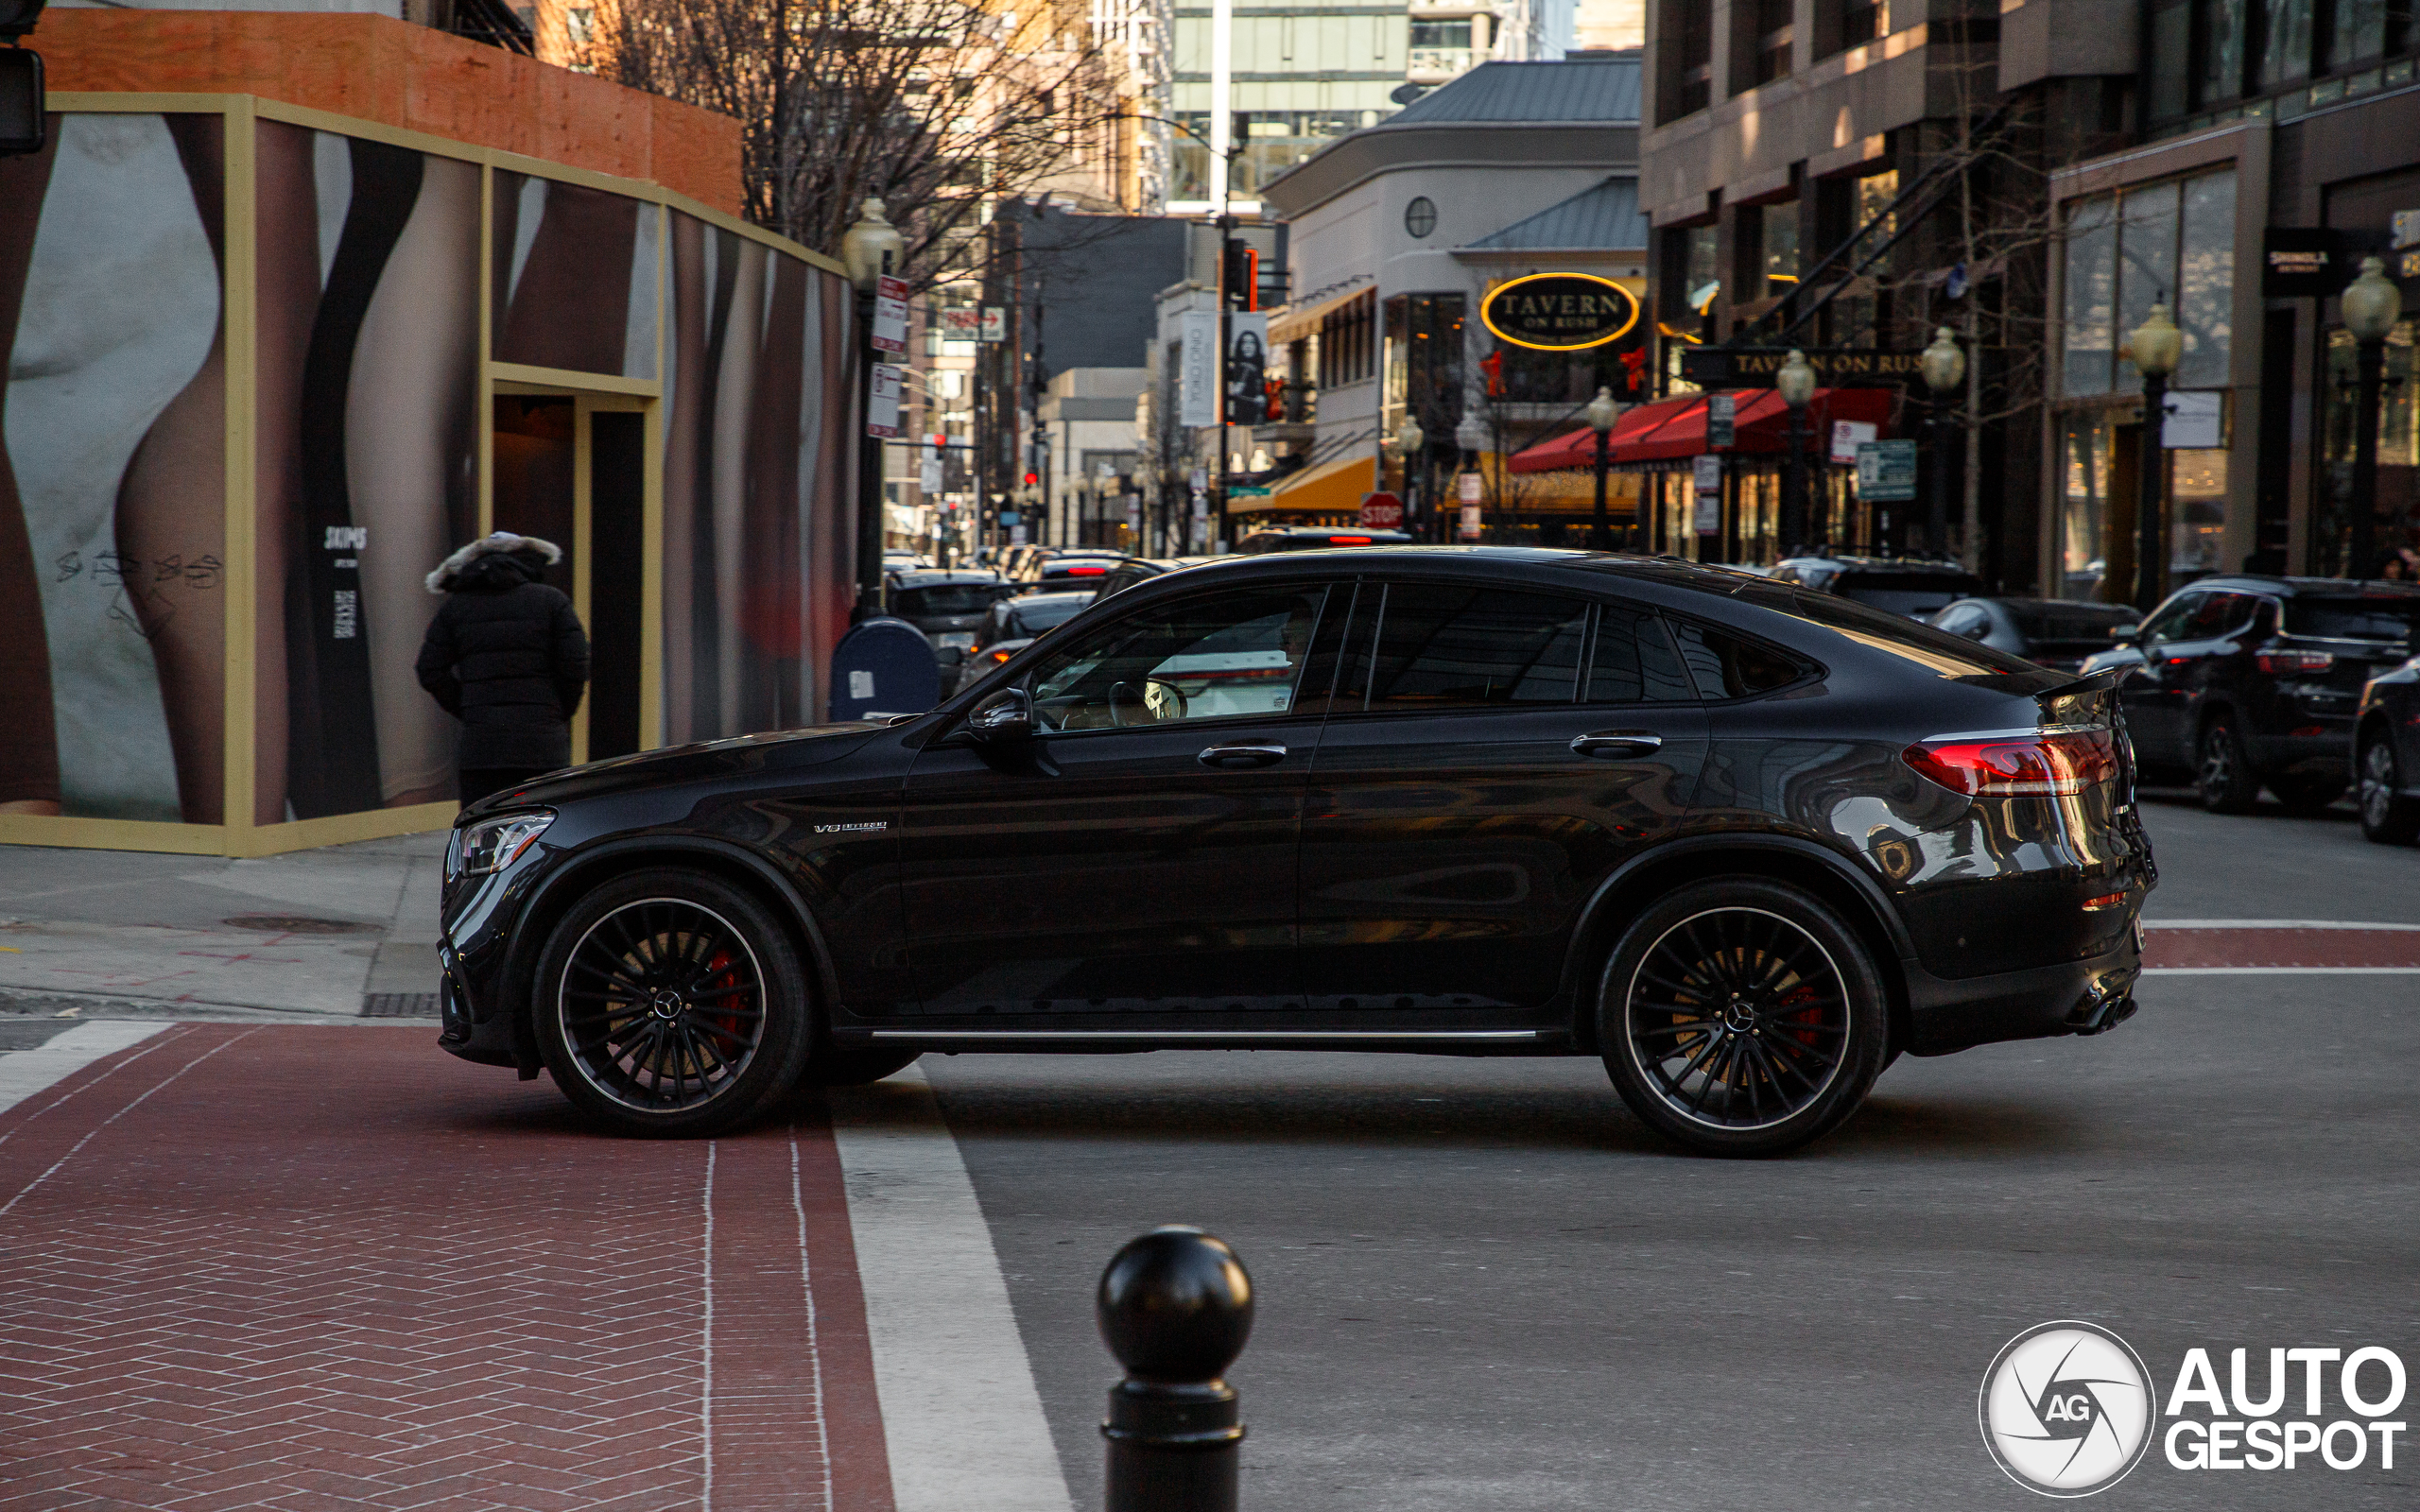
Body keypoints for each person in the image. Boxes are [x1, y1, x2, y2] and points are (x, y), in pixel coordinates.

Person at [416, 532, 589, 806]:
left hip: (482, 748)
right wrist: (556, 711)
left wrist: (469, 708)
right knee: (546, 823)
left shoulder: (456, 608)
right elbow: (576, 666)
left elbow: (429, 670)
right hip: (542, 745)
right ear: (528, 562)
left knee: (484, 825)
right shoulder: (552, 601)